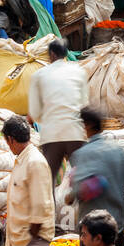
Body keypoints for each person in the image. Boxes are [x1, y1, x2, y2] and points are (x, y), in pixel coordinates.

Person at [67, 107, 124, 235]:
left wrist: (70, 197)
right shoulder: (118, 150)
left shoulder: (81, 154)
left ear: (87, 126)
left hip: (92, 232)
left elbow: (79, 191)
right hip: (116, 224)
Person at [28, 39, 89, 183]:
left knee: (48, 181)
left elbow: (35, 112)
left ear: (51, 54)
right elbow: (84, 104)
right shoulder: (79, 71)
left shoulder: (39, 75)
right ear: (66, 54)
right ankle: (83, 204)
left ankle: (51, 206)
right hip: (75, 131)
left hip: (51, 133)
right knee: (83, 178)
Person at [1, 115, 54, 246]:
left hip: (31, 241)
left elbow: (40, 205)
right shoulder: (22, 160)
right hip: (19, 240)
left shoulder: (34, 162)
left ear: (11, 139)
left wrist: (31, 238)